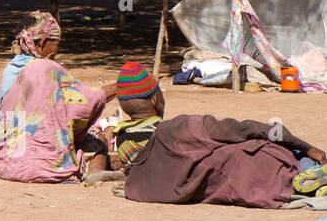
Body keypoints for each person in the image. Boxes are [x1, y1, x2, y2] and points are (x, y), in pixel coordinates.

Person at [113, 62, 327, 208]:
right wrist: (307, 146)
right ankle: (309, 170)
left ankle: (307, 181)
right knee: (260, 145)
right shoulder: (178, 128)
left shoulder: (123, 143)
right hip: (254, 173)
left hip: (218, 189)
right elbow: (246, 128)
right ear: (154, 100)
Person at [0, 58, 119, 183]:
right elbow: (86, 103)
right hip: (49, 166)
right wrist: (119, 86)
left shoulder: (13, 91)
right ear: (41, 44)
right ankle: (94, 170)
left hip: (10, 167)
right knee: (97, 140)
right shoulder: (52, 75)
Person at [0, 10, 61, 104]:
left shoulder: (11, 68)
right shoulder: (42, 70)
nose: (56, 51)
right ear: (42, 43)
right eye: (57, 44)